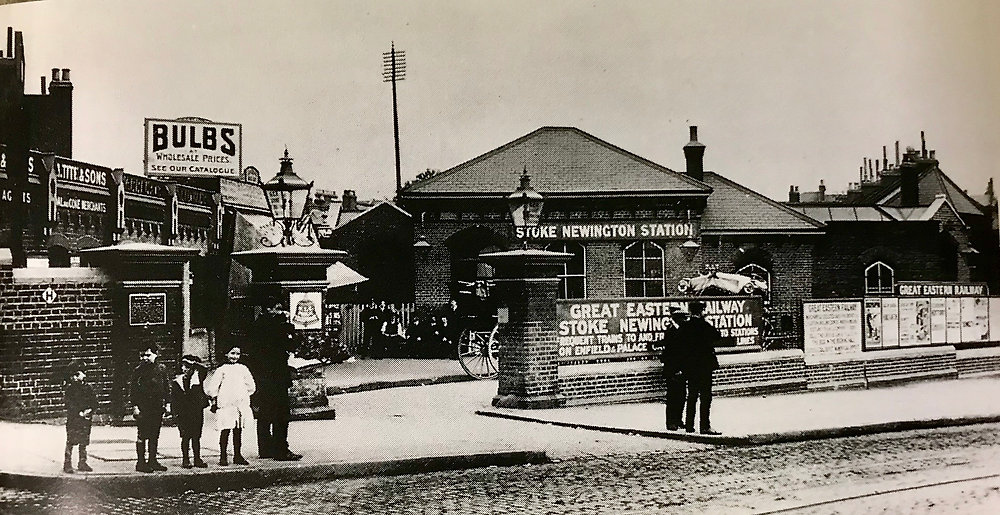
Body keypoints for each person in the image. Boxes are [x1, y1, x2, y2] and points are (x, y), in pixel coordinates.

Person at [248, 298, 302, 462]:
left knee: (265, 413)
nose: (280, 312)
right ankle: (281, 450)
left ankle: (265, 448)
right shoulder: (279, 326)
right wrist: (288, 325)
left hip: (262, 377)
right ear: (269, 310)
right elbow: (291, 344)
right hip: (277, 376)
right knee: (281, 414)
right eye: (277, 309)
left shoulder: (256, 325)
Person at [206, 346, 256, 466]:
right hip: (226, 406)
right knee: (225, 430)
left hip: (239, 405)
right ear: (226, 354)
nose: (235, 356)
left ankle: (237, 455)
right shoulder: (222, 370)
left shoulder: (243, 369)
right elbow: (213, 387)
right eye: (232, 353)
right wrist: (217, 398)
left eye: (238, 354)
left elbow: (251, 386)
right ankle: (223, 456)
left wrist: (242, 395)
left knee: (238, 431)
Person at [681, 301, 722, 435]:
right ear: (701, 312)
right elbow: (717, 336)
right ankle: (704, 426)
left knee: (692, 396)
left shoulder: (685, 326)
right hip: (704, 366)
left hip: (691, 366)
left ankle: (689, 425)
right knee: (705, 397)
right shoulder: (704, 325)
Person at [130, 344, 171, 473]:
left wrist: (168, 404)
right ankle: (141, 462)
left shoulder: (161, 369)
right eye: (143, 355)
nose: (145, 358)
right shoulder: (138, 370)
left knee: (154, 434)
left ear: (156, 354)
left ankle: (152, 460)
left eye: (148, 355)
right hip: (143, 407)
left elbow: (166, 387)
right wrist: (135, 406)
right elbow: (133, 390)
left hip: (156, 407)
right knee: (142, 434)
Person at [649, 307, 689, 431]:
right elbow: (671, 351)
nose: (685, 320)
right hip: (673, 369)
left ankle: (678, 420)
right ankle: (671, 422)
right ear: (678, 319)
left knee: (682, 395)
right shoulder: (672, 331)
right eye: (683, 318)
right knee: (673, 396)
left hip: (681, 368)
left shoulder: (682, 330)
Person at [171, 355, 209, 469]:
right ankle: (185, 459)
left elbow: (204, 369)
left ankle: (197, 458)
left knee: (196, 436)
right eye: (183, 366)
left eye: (187, 367)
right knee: (185, 437)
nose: (184, 369)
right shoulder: (177, 382)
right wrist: (174, 414)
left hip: (196, 412)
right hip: (183, 413)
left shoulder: (197, 379)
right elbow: (174, 400)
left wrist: (194, 363)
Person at [63, 359, 96, 473]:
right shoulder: (70, 389)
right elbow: (69, 404)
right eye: (73, 375)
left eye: (78, 374)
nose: (75, 378)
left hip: (85, 420)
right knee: (71, 440)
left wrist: (90, 410)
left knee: (83, 441)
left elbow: (94, 402)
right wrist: (79, 412)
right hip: (74, 419)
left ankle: (82, 462)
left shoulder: (88, 388)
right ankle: (67, 463)